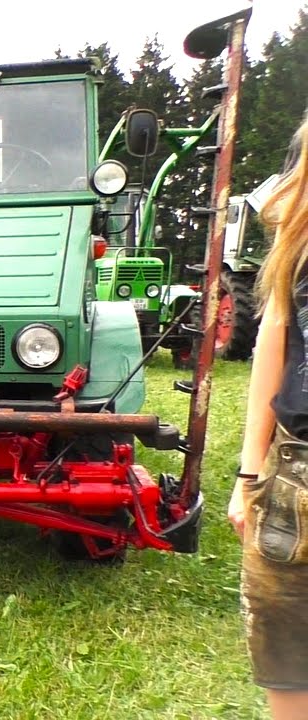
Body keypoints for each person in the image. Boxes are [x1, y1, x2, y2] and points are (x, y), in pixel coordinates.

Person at [232, 116, 308, 719]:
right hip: (294, 475)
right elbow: (271, 353)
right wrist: (248, 475)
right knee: (286, 665)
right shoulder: (296, 251)